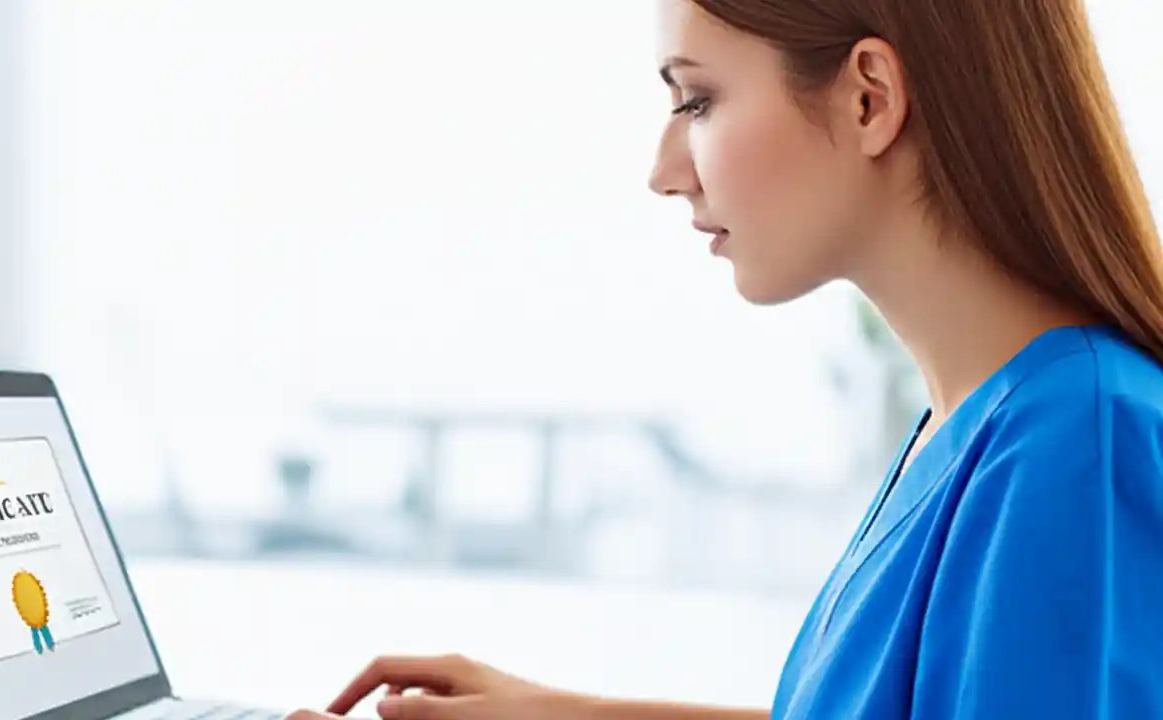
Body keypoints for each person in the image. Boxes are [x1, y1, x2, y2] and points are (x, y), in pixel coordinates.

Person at [289, 0, 1163, 717]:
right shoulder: (987, 417)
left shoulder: (1076, 439)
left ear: (869, 99)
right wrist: (567, 716)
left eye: (696, 101)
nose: (666, 170)